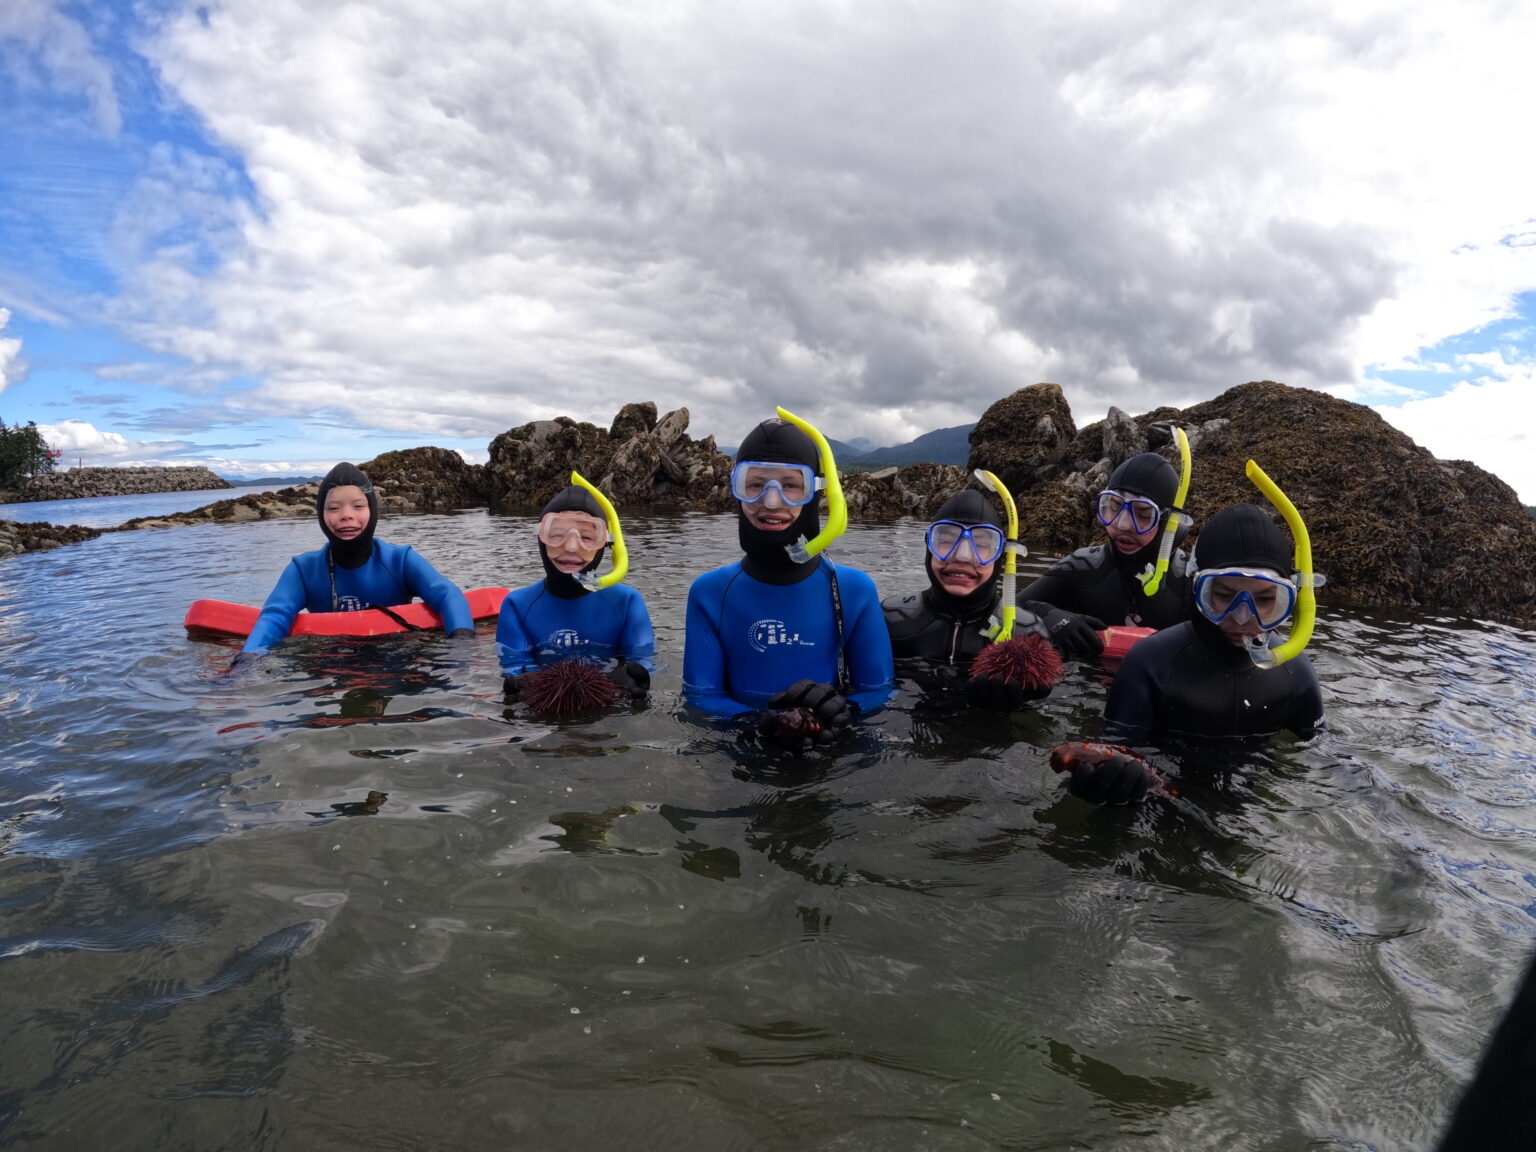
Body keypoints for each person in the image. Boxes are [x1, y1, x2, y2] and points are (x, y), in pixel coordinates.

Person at [683, 410, 893, 750]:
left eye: (792, 486)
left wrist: (840, 713)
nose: (770, 501)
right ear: (737, 490)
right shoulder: (710, 592)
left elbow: (878, 691)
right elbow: (700, 697)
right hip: (741, 751)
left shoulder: (853, 590)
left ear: (817, 491)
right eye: (754, 484)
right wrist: (760, 728)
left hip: (830, 749)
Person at [1101, 501, 1324, 746]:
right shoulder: (1148, 665)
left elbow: (1324, 753)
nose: (1242, 617)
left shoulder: (1296, 674)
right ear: (1198, 589)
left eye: (1263, 599)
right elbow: (1115, 749)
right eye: (1225, 596)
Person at [240, 462, 474, 656]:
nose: (346, 515)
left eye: (358, 506)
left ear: (372, 510)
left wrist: (461, 644)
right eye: (333, 508)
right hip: (330, 667)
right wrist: (248, 659)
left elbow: (447, 595)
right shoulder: (304, 570)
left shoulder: (399, 560)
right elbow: (275, 616)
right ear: (321, 514)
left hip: (397, 662)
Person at [882, 487, 1053, 711]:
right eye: (946, 540)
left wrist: (1020, 707)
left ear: (1001, 555)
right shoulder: (891, 620)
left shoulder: (1026, 633)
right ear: (928, 547)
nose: (963, 556)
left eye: (980, 545)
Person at [1020, 449, 1194, 658]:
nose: (1122, 524)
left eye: (1143, 514)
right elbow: (1005, 609)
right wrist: (1049, 616)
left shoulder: (1192, 583)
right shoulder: (1082, 567)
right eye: (1114, 507)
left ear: (1169, 522)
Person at [497, 475, 654, 700]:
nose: (571, 547)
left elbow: (642, 659)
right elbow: (515, 664)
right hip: (546, 701)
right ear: (541, 538)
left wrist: (633, 677)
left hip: (607, 698)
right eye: (557, 535)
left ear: (605, 544)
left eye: (587, 537)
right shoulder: (516, 605)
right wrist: (523, 682)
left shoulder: (627, 602)